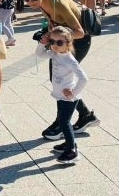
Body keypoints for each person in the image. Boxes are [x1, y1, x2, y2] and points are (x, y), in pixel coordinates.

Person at [20, 0, 100, 138]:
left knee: (61, 80)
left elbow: (79, 32)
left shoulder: (59, 3)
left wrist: (53, 37)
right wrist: (49, 34)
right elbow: (52, 22)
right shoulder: (43, 3)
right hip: (62, 41)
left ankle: (61, 122)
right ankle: (85, 115)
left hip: (78, 42)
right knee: (55, 78)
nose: (31, 2)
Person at [36, 26, 88, 164]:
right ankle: (68, 143)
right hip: (59, 95)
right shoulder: (54, 54)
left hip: (68, 99)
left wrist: (73, 93)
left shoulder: (70, 60)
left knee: (64, 122)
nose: (55, 45)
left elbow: (84, 78)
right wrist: (42, 42)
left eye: (59, 43)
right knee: (63, 121)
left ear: (68, 43)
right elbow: (39, 54)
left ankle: (72, 150)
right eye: (52, 42)